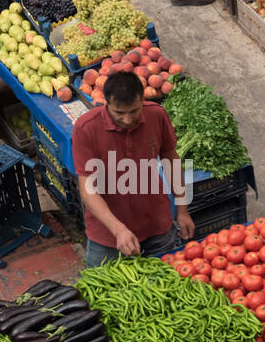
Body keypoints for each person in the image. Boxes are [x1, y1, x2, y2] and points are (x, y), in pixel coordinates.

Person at [71, 71, 194, 268]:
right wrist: (118, 229)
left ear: (142, 99)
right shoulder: (86, 129)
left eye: (134, 111)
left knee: (164, 291)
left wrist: (182, 210)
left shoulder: (156, 115)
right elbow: (87, 189)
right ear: (105, 103)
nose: (128, 120)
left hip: (157, 228)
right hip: (108, 238)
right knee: (105, 294)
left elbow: (171, 160)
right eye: (119, 113)